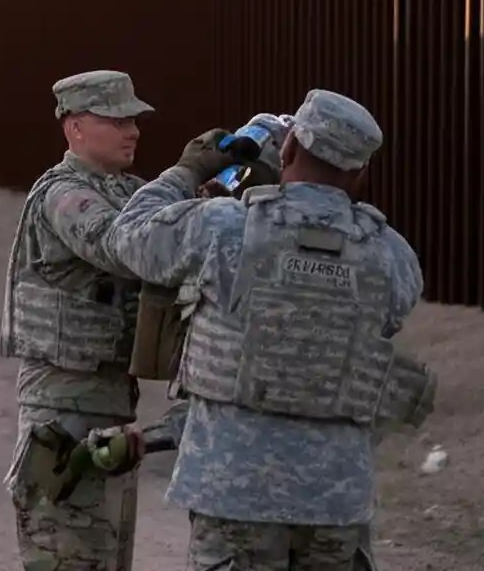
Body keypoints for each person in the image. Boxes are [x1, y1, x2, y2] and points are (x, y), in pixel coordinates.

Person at [95, 89, 435, 570]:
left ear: (289, 149)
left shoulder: (225, 228)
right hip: (336, 500)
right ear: (361, 174)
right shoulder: (391, 255)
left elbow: (125, 237)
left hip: (235, 492)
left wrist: (190, 171)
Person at [0, 69, 155, 570]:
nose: (132, 130)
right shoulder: (63, 195)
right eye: (117, 120)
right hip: (64, 414)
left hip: (108, 408)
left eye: (134, 120)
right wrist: (184, 176)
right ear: (75, 128)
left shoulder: (125, 189)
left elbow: (174, 233)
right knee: (68, 556)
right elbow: (120, 244)